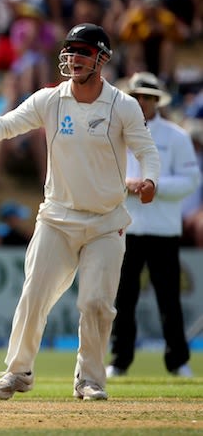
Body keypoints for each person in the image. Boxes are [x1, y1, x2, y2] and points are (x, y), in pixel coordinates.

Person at [0, 22, 161, 401]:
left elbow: (146, 151)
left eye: (83, 52)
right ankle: (17, 372)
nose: (73, 58)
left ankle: (89, 380)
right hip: (57, 216)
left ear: (101, 59)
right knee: (35, 293)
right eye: (70, 51)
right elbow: (12, 121)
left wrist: (150, 180)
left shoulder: (122, 105)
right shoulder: (51, 99)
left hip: (106, 221)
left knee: (96, 303)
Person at [108, 72, 200, 379]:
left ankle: (177, 361)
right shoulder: (116, 134)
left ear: (157, 100)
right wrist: (127, 185)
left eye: (147, 97)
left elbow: (191, 180)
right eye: (136, 97)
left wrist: (152, 186)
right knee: (123, 298)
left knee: (168, 299)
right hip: (127, 227)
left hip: (163, 230)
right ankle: (120, 360)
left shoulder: (176, 136)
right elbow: (105, 176)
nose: (141, 102)